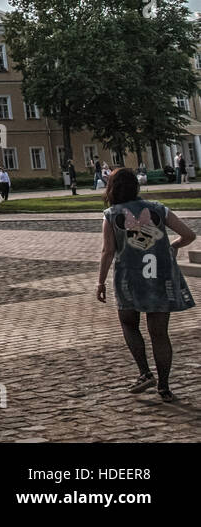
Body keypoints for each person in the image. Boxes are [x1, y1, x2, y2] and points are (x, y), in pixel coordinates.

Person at [97, 168, 196, 402]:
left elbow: (108, 251)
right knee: (160, 334)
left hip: (130, 279)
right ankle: (164, 386)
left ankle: (144, 373)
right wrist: (174, 245)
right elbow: (189, 235)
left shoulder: (112, 214)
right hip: (161, 278)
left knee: (129, 324)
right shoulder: (159, 209)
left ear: (112, 188)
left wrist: (100, 281)